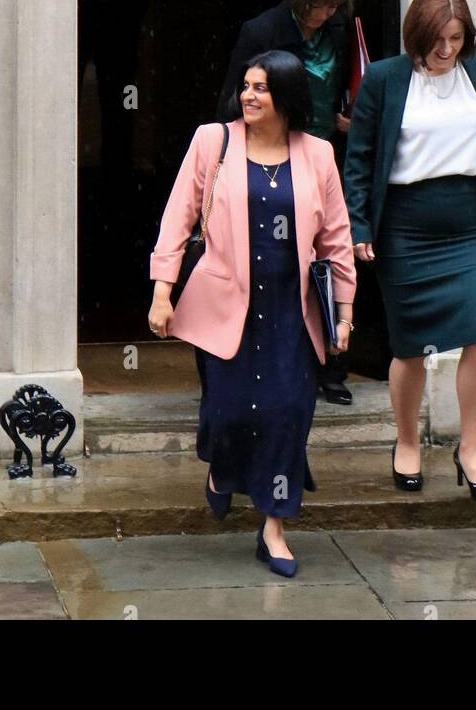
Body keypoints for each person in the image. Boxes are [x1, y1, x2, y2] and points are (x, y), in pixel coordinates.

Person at [149, 50, 357, 577]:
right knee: (231, 412)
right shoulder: (212, 142)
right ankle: (221, 463)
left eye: (261, 87)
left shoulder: (319, 155)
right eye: (246, 85)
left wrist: (345, 314)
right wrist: (162, 290)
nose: (248, 95)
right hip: (228, 307)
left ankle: (275, 528)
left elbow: (336, 240)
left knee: (288, 416)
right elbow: (179, 217)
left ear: (285, 96)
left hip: (293, 309)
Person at [343, 0, 476, 501]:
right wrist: (358, 227)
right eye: (437, 40)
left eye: (455, 38)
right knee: (409, 347)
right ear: (415, 37)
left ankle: (470, 450)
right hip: (405, 228)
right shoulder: (385, 79)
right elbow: (357, 161)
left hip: (469, 222)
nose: (446, 50)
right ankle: (407, 442)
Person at [216, 0, 357, 406]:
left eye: (333, 5)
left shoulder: (340, 29)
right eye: (318, 5)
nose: (325, 13)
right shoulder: (263, 30)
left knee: (333, 250)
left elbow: (347, 82)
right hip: (275, 156)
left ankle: (333, 364)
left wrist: (348, 116)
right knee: (281, 260)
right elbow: (232, 100)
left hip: (327, 153)